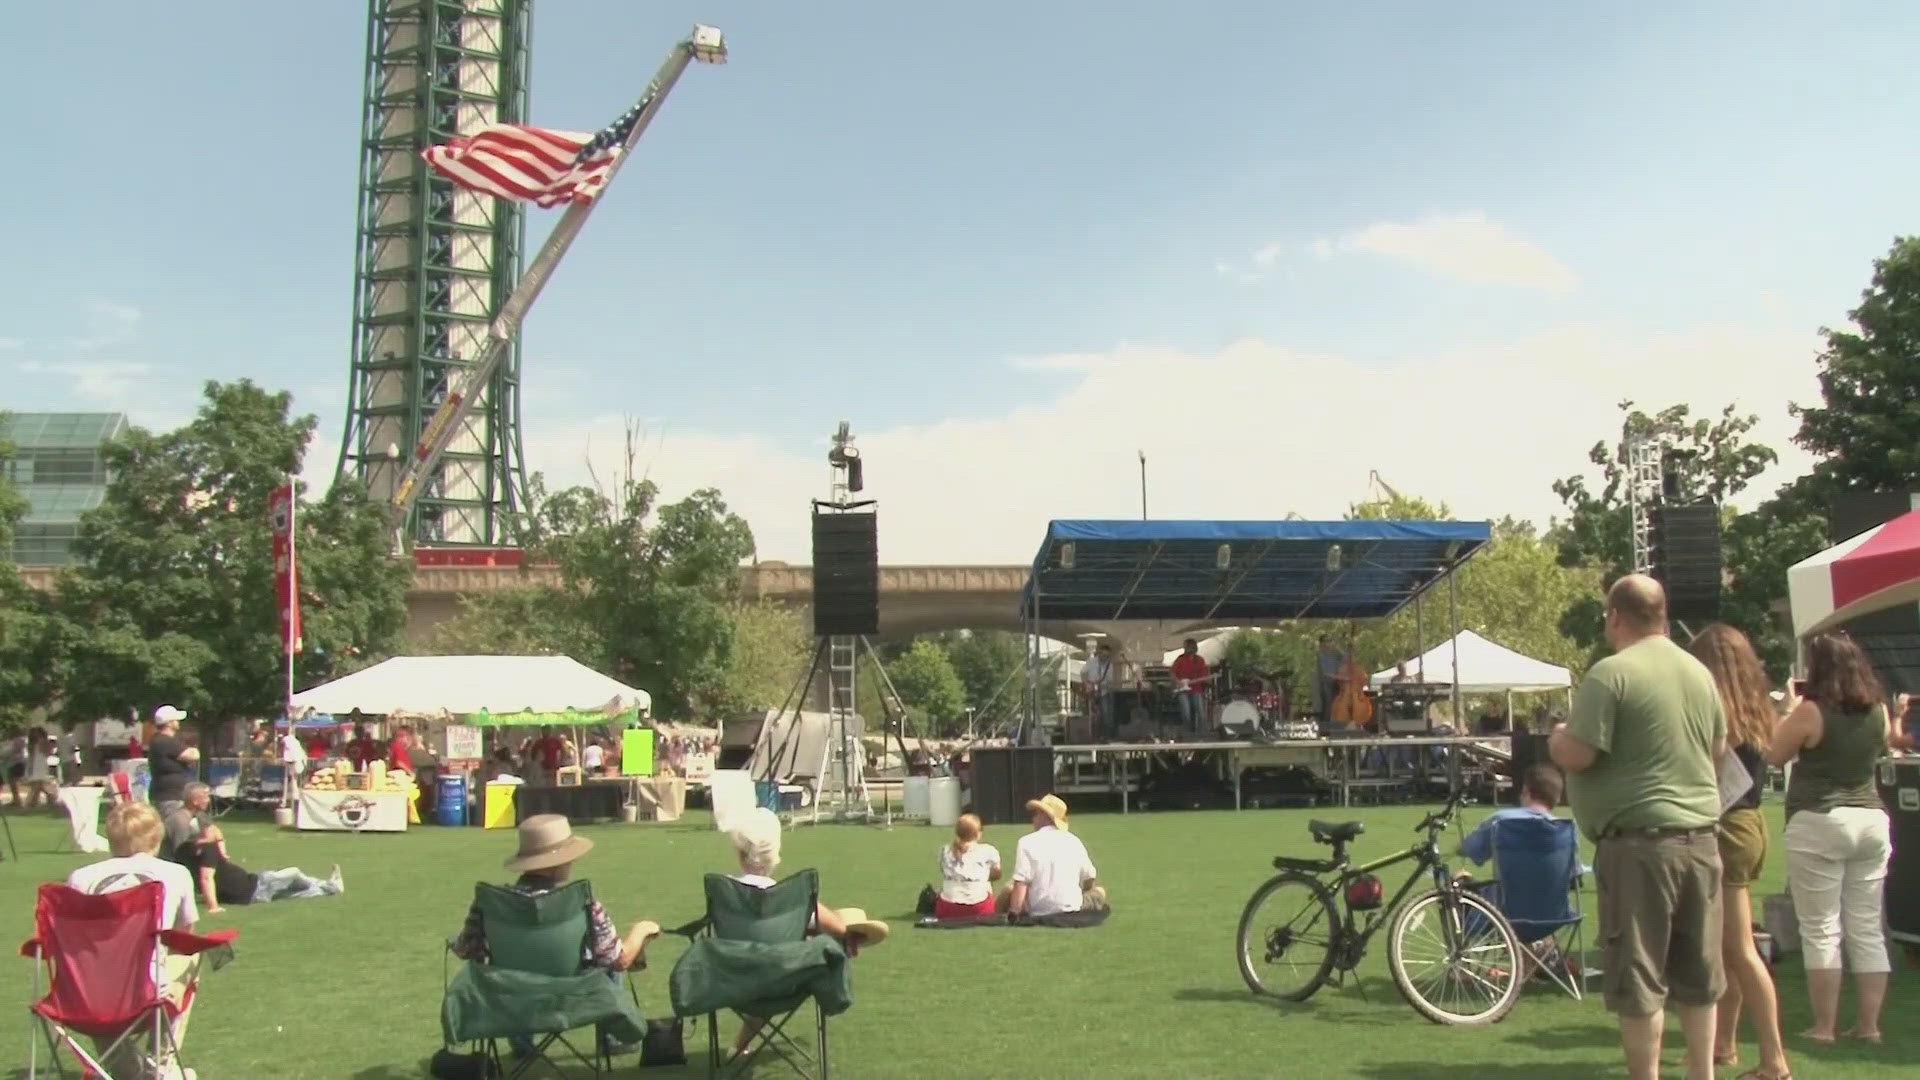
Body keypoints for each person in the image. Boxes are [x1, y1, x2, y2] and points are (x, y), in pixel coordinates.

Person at [1549, 575, 1725, 1080]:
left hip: (1641, 847)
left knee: (1639, 978)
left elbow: (1579, 754)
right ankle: (1701, 1073)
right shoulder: (1698, 673)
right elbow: (1714, 751)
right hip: (1702, 841)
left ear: (1615, 617)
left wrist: (1556, 740)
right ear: (1663, 615)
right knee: (1698, 975)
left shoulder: (1610, 674)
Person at [453, 814, 662, 1058]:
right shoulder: (583, 904)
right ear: (559, 862)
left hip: (511, 997)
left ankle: (522, 1044)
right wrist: (643, 929)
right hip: (571, 995)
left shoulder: (489, 903)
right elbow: (619, 960)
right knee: (606, 962)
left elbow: (465, 950)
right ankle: (611, 1040)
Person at [1771, 632, 1894, 1047]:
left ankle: (1824, 1027)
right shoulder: (1877, 710)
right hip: (1871, 818)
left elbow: (1773, 753)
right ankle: (1869, 1027)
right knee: (1866, 928)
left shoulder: (1810, 711)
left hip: (1820, 818)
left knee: (1821, 929)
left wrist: (1783, 710)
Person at [1688, 624, 1792, 1079]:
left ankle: (1774, 1061)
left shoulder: (1722, 714)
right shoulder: (1755, 706)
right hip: (1748, 824)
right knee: (1728, 948)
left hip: (1728, 827)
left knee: (1740, 949)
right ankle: (1725, 1046)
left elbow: (1705, 766)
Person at [723, 808, 887, 1062]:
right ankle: (836, 999)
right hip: (783, 981)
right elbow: (840, 929)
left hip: (732, 978)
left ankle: (738, 1048)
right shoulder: (790, 897)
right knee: (824, 947)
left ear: (739, 850)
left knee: (764, 959)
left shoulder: (723, 892)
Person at [66, 801, 200, 1080]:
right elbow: (184, 937)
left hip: (86, 994)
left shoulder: (79, 878)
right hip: (148, 990)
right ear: (157, 836)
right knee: (191, 955)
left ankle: (129, 1070)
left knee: (96, 979)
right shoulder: (175, 874)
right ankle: (162, 1064)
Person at [163, 783, 342, 914]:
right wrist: (213, 906)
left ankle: (330, 887)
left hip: (248, 885)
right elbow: (197, 870)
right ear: (195, 800)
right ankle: (330, 886)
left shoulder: (195, 823)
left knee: (295, 891)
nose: (209, 800)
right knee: (294, 875)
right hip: (253, 886)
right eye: (206, 796)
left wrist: (220, 849)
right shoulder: (182, 825)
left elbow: (214, 835)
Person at [1007, 794, 1105, 919]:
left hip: (1038, 910)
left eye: (1036, 814)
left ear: (1044, 816)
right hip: (1071, 909)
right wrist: (1085, 892)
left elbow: (1021, 882)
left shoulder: (1026, 842)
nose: (1033, 819)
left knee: (1008, 889)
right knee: (1100, 892)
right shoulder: (1074, 841)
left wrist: (1014, 911)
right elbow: (1090, 877)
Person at [1457, 764, 1564, 869]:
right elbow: (1574, 873)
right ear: (1556, 799)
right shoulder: (1563, 828)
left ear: (1525, 791)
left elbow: (1469, 848)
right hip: (1553, 887)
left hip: (1507, 887)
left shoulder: (1501, 819)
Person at [934, 813, 1002, 918]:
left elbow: (943, 871)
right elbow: (997, 875)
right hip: (979, 908)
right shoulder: (988, 850)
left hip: (947, 909)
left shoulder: (945, 850)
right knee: (986, 881)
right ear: (978, 834)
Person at [146, 706, 200, 817]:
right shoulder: (165, 741)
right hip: (170, 797)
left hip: (169, 795)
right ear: (169, 723)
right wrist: (193, 749)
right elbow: (193, 755)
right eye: (176, 720)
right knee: (175, 828)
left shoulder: (160, 740)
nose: (178, 722)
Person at [1170, 639, 1210, 733]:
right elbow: (1172, 673)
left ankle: (1202, 735)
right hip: (1182, 690)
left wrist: (1207, 680)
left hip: (1196, 690)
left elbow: (1203, 676)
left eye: (1187, 646)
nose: (1186, 649)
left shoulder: (1200, 660)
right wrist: (1178, 682)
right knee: (1186, 713)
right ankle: (1188, 735)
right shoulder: (1180, 659)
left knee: (1201, 713)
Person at [1081, 643, 1114, 738]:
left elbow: (1109, 681)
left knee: (1105, 714)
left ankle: (1105, 736)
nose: (1105, 658)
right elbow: (1083, 673)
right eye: (1103, 655)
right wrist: (1087, 684)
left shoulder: (1109, 666)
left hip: (1103, 692)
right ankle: (1089, 734)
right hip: (1090, 691)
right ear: (1099, 653)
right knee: (1090, 714)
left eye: (1107, 656)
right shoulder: (1091, 662)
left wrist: (1106, 685)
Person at [1316, 636, 1345, 723]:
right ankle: (1325, 729)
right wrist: (1339, 677)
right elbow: (1325, 673)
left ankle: (1339, 724)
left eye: (1330, 641)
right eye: (1327, 641)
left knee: (1338, 705)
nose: (1329, 643)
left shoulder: (1335, 654)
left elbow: (1346, 658)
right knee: (1328, 705)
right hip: (1326, 683)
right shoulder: (1321, 656)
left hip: (1337, 683)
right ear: (1321, 644)